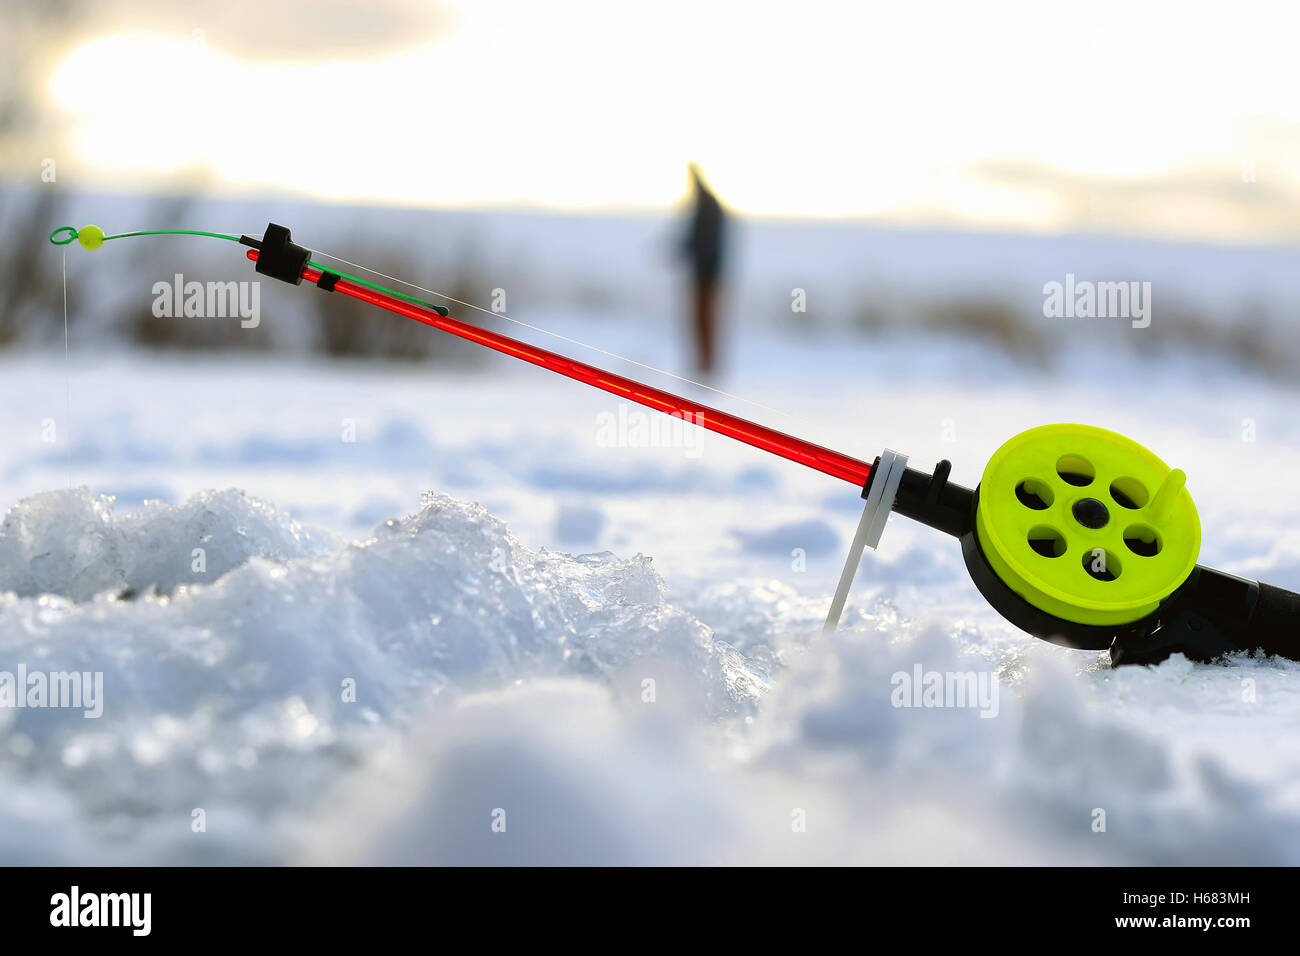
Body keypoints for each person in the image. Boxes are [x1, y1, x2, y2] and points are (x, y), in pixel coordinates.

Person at [680, 163, 728, 375]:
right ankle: (704, 364)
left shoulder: (706, 207)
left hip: (706, 275)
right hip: (707, 273)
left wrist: (683, 251)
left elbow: (701, 240)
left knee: (703, 320)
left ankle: (706, 365)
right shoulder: (710, 205)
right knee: (703, 321)